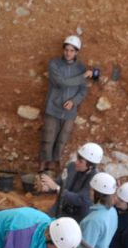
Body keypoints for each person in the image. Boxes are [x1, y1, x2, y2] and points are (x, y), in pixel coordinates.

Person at [39, 35, 92, 174]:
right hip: (53, 107)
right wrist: (83, 76)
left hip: (69, 111)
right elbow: (62, 82)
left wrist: (74, 101)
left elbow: (83, 90)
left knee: (62, 139)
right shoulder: (54, 64)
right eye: (66, 50)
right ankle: (43, 164)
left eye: (72, 50)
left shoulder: (81, 67)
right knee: (48, 137)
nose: (68, 53)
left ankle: (53, 164)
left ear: (77, 52)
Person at [39, 141, 103, 223]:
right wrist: (48, 188)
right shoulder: (71, 166)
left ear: (90, 166)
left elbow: (80, 199)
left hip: (75, 218)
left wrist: (57, 188)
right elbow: (59, 183)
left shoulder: (95, 179)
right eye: (77, 159)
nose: (76, 162)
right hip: (59, 209)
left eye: (80, 161)